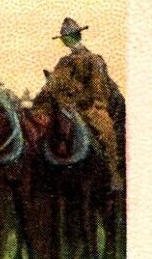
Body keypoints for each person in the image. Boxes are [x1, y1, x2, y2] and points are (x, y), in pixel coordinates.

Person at [45, 17, 123, 191]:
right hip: (63, 106)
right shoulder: (63, 62)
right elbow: (54, 87)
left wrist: (77, 101)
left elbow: (98, 90)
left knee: (106, 131)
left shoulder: (94, 60)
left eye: (67, 37)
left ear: (76, 36)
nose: (66, 41)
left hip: (89, 107)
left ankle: (113, 173)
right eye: (64, 38)